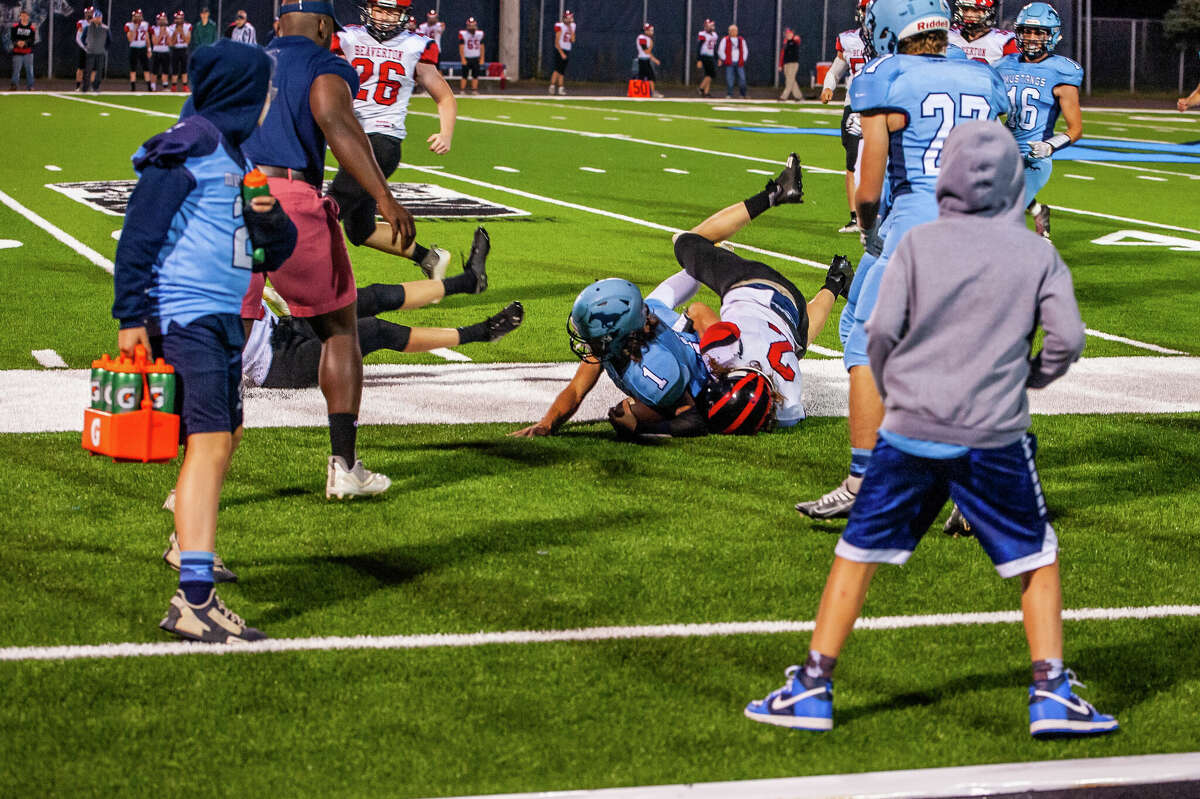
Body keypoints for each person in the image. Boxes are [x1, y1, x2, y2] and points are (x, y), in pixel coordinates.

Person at [746, 120, 1118, 741]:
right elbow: (1068, 341)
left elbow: (879, 338)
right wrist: (1028, 376)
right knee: (1036, 557)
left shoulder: (916, 246)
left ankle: (812, 685)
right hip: (995, 429)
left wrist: (905, 391)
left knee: (856, 553)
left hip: (912, 427)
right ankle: (1051, 692)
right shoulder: (1036, 252)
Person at [795, 0, 1010, 521]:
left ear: (891, 27)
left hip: (916, 230)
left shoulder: (883, 75)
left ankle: (864, 480)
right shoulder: (981, 76)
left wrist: (868, 231)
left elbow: (867, 189)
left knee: (867, 348)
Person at [113, 39, 294, 643]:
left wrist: (269, 224)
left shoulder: (234, 154)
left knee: (226, 433)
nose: (270, 98)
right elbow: (139, 233)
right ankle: (194, 599)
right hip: (185, 316)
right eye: (264, 88)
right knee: (211, 439)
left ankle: (185, 543)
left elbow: (269, 247)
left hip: (218, 317)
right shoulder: (192, 142)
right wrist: (130, 315)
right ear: (241, 90)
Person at [511, 156, 850, 439]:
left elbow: (694, 418)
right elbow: (701, 314)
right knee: (691, 243)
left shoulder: (663, 370)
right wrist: (547, 423)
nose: (587, 341)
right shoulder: (662, 319)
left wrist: (640, 426)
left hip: (768, 307)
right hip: (750, 302)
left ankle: (830, 273)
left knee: (797, 338)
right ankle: (789, 217)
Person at [240, 0, 414, 500]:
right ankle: (344, 466)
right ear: (322, 25)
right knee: (340, 331)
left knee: (229, 337)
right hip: (289, 199)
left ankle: (193, 477)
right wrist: (384, 196)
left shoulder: (245, 63)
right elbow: (336, 121)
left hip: (232, 200)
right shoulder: (324, 61)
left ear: (276, 24)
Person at [328, 0, 457, 280]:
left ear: (403, 15)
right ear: (369, 9)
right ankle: (429, 259)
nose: (386, 17)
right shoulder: (347, 38)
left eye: (393, 11)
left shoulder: (414, 46)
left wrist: (445, 133)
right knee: (359, 229)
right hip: (350, 140)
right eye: (381, 9)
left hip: (381, 141)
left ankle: (290, 281)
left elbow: (444, 95)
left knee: (326, 213)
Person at [241, 266, 524, 391]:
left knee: (365, 298)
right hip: (279, 362)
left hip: (283, 329)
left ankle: (466, 281)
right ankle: (482, 332)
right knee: (373, 330)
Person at [995, 2, 1082, 242]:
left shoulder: (1062, 71)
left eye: (1039, 32)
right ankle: (1038, 212)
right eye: (1027, 31)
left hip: (1034, 157)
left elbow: (1076, 129)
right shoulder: (1003, 65)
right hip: (1003, 152)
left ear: (1052, 35)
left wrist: (1050, 146)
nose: (1032, 38)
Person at [820, 0, 870, 233]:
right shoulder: (849, 39)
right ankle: (854, 217)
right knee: (852, 163)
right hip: (855, 106)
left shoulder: (894, 39)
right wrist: (828, 86)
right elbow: (836, 69)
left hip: (883, 106)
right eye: (864, 9)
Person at [948, 0, 1018, 64]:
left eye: (975, 10)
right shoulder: (949, 35)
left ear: (991, 12)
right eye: (965, 9)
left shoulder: (1005, 41)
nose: (969, 15)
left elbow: (1012, 71)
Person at [548, 9, 575, 96]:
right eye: (569, 17)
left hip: (567, 49)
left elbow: (573, 40)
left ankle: (560, 88)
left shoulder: (573, 26)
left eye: (571, 17)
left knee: (562, 70)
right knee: (557, 69)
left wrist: (570, 29)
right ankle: (552, 86)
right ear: (565, 18)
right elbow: (556, 41)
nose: (571, 19)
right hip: (560, 49)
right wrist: (561, 52)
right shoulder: (560, 26)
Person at [83, 9, 110, 93]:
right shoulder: (88, 27)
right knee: (88, 71)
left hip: (100, 52)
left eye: (99, 17)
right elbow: (82, 38)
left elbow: (109, 40)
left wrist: (104, 48)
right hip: (90, 52)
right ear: (93, 18)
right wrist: (87, 46)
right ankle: (85, 87)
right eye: (96, 17)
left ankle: (96, 87)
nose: (98, 19)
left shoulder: (105, 28)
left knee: (99, 71)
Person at [718, 24, 748, 99]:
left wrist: (743, 59)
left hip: (739, 62)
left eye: (735, 30)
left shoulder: (741, 40)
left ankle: (743, 94)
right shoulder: (725, 40)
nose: (733, 32)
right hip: (729, 62)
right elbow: (721, 50)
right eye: (732, 30)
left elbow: (745, 50)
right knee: (729, 79)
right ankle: (729, 94)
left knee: (742, 78)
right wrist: (725, 58)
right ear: (729, 32)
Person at [9, 10, 36, 91]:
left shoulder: (31, 28)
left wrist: (25, 43)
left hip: (28, 53)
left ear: (28, 17)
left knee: (30, 70)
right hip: (17, 52)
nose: (24, 17)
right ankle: (14, 85)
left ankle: (30, 86)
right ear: (20, 17)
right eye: (22, 16)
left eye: (25, 16)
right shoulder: (15, 27)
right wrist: (18, 43)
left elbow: (32, 40)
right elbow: (12, 38)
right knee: (16, 70)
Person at [125, 9, 151, 91]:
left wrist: (149, 49)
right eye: (136, 16)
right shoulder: (129, 25)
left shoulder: (145, 24)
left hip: (143, 48)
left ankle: (149, 87)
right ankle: (133, 87)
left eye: (139, 16)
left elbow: (147, 38)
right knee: (133, 69)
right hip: (134, 48)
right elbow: (130, 39)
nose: (137, 18)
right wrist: (135, 29)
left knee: (146, 68)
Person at [458, 16, 484, 95]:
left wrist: (482, 57)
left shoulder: (480, 34)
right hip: (467, 57)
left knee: (475, 75)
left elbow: (482, 46)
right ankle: (462, 90)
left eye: (473, 25)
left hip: (476, 57)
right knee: (464, 75)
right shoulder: (463, 34)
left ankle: (474, 90)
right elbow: (461, 47)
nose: (472, 27)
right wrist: (462, 58)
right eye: (470, 25)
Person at [635, 23, 661, 98]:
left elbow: (648, 53)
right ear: (646, 31)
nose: (652, 32)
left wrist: (654, 59)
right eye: (650, 30)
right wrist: (651, 45)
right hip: (643, 60)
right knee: (650, 77)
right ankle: (652, 93)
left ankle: (639, 92)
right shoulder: (641, 37)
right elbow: (646, 51)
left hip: (645, 60)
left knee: (642, 77)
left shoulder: (647, 39)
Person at [168, 10, 191, 92]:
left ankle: (185, 86)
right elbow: (171, 43)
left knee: (184, 69)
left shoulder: (187, 26)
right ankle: (174, 86)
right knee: (175, 69)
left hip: (183, 49)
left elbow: (187, 41)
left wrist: (181, 33)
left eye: (180, 18)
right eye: (177, 18)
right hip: (175, 49)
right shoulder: (171, 27)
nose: (179, 20)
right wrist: (175, 33)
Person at [779, 27, 802, 101]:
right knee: (791, 80)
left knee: (789, 80)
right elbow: (782, 55)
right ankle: (798, 96)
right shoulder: (786, 43)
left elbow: (798, 40)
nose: (788, 35)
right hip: (786, 64)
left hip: (793, 63)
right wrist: (780, 65)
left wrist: (795, 38)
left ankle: (784, 96)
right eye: (787, 34)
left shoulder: (795, 41)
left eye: (789, 33)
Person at [696, 18, 717, 98]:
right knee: (711, 74)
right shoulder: (702, 34)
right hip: (704, 56)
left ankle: (706, 92)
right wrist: (699, 59)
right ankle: (701, 88)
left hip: (710, 56)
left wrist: (716, 57)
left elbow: (713, 48)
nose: (709, 27)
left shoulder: (715, 35)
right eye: (708, 26)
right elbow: (699, 47)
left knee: (708, 75)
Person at [150, 12, 171, 91]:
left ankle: (165, 86)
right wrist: (162, 34)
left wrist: (167, 34)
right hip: (157, 51)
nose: (162, 21)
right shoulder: (154, 29)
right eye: (161, 19)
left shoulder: (169, 29)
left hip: (166, 51)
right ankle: (152, 86)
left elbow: (170, 43)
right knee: (155, 70)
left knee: (165, 70)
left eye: (163, 19)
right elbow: (155, 43)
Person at [75, 6, 93, 91]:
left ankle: (91, 86)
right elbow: (78, 37)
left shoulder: (96, 23)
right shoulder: (81, 23)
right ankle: (78, 86)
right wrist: (84, 47)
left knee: (92, 69)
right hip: (83, 48)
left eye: (90, 12)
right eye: (87, 12)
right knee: (80, 68)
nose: (89, 14)